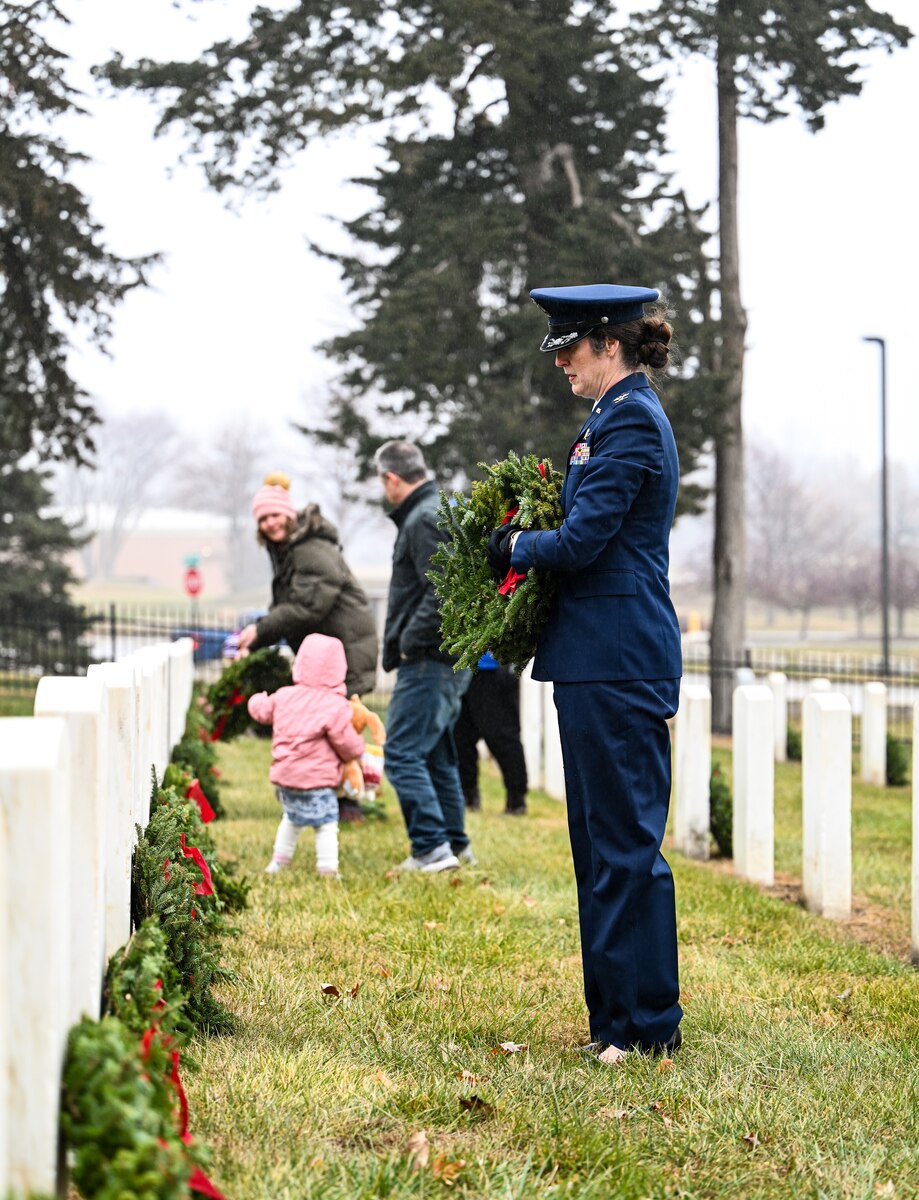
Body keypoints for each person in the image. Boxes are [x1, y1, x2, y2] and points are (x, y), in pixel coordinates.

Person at [486, 283, 683, 1065]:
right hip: (598, 657)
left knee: (623, 844)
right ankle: (613, 1023)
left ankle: (646, 1026)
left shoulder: (629, 419)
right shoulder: (610, 417)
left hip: (618, 658)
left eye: (569, 347)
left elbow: (582, 542)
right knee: (599, 845)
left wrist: (512, 546)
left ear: (609, 342)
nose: (560, 362)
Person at [237, 472, 379, 821]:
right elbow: (288, 606)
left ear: (289, 514)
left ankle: (349, 804)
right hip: (326, 656)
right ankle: (333, 801)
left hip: (343, 654)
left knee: (341, 730)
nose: (270, 523)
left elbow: (306, 606)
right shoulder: (288, 550)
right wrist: (258, 637)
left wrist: (259, 630)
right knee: (329, 731)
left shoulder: (309, 549)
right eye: (263, 519)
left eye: (275, 515)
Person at [375, 440, 472, 872]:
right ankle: (455, 844)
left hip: (429, 658)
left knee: (401, 753)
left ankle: (432, 849)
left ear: (391, 478)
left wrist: (408, 642)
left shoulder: (423, 517)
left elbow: (444, 591)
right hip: (444, 659)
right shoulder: (435, 510)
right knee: (435, 755)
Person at [248, 632, 367, 877]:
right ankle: (328, 868)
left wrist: (256, 699)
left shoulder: (284, 696)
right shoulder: (334, 706)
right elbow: (346, 742)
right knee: (326, 824)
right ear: (339, 670)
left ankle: (278, 862)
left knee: (291, 818)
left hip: (286, 779)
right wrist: (359, 750)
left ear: (300, 663)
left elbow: (261, 710)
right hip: (318, 781)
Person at [455, 651, 528, 815]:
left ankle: (516, 801)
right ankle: (468, 797)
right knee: (460, 737)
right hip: (459, 668)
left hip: (493, 668)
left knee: (501, 736)